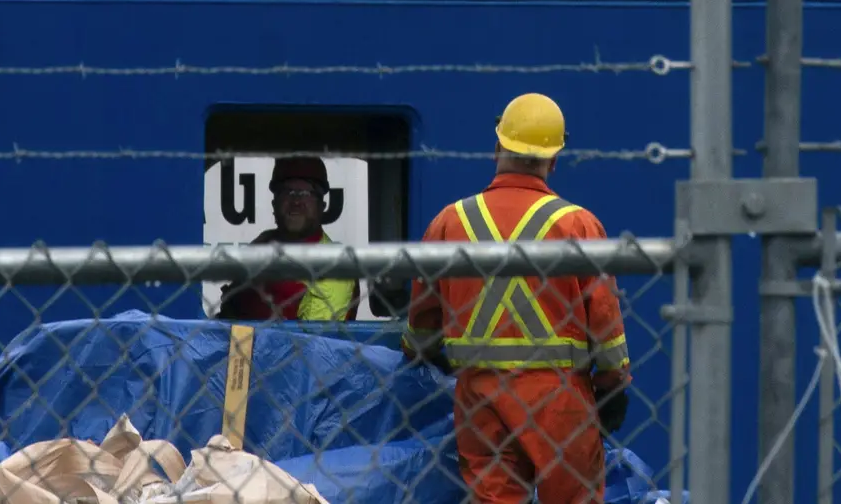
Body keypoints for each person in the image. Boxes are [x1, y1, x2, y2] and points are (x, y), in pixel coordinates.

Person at [405, 93, 629, 504]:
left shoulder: (450, 222)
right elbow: (606, 324)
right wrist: (613, 387)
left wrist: (419, 350)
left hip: (481, 397)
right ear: (554, 159)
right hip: (560, 400)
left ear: (497, 147)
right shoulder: (577, 224)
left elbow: (422, 319)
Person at [218, 155, 361, 322]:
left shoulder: (336, 267)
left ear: (322, 206)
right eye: (287, 192)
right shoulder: (264, 242)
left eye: (306, 193)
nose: (296, 201)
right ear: (274, 204)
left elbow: (312, 344)